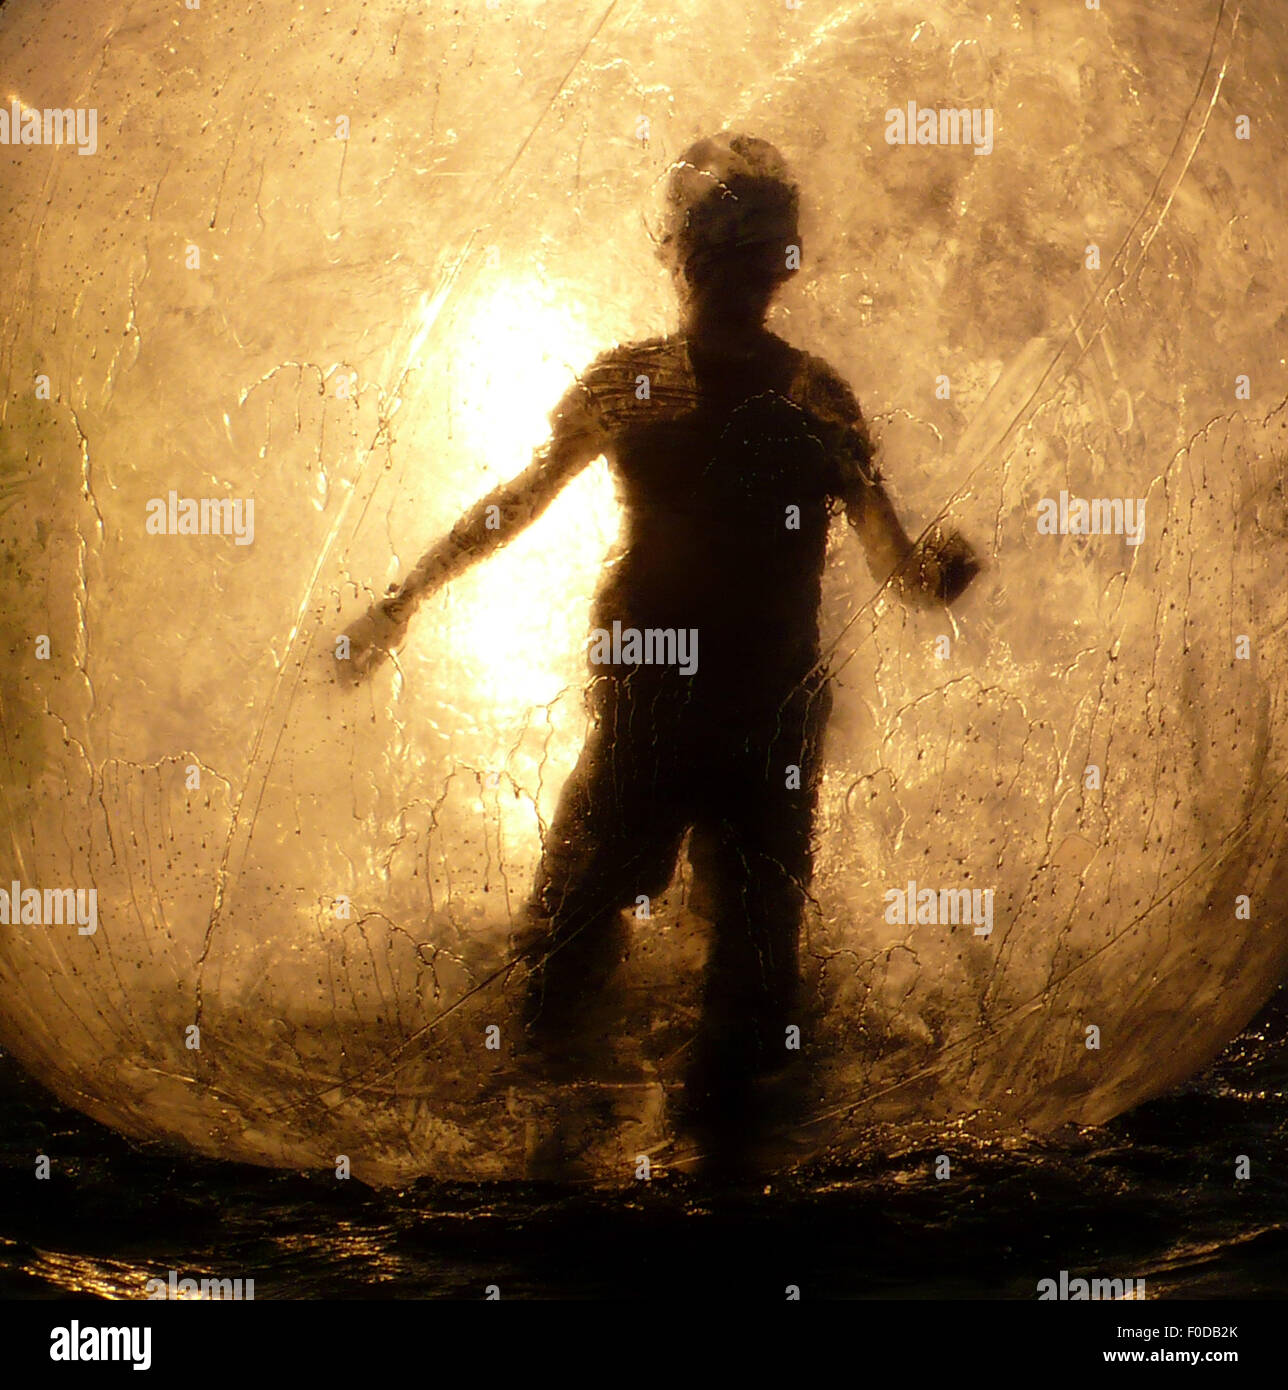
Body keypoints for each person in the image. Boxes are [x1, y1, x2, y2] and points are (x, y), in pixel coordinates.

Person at [342, 132, 979, 1160]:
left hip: (766, 717)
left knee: (748, 974)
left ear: (784, 267)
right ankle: (557, 1160)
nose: (736, 274)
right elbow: (517, 501)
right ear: (677, 253)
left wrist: (939, 575)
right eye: (718, 250)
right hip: (648, 705)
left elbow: (894, 565)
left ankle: (710, 1180)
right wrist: (404, 594)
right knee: (569, 947)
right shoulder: (629, 382)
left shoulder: (815, 400)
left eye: (759, 253)